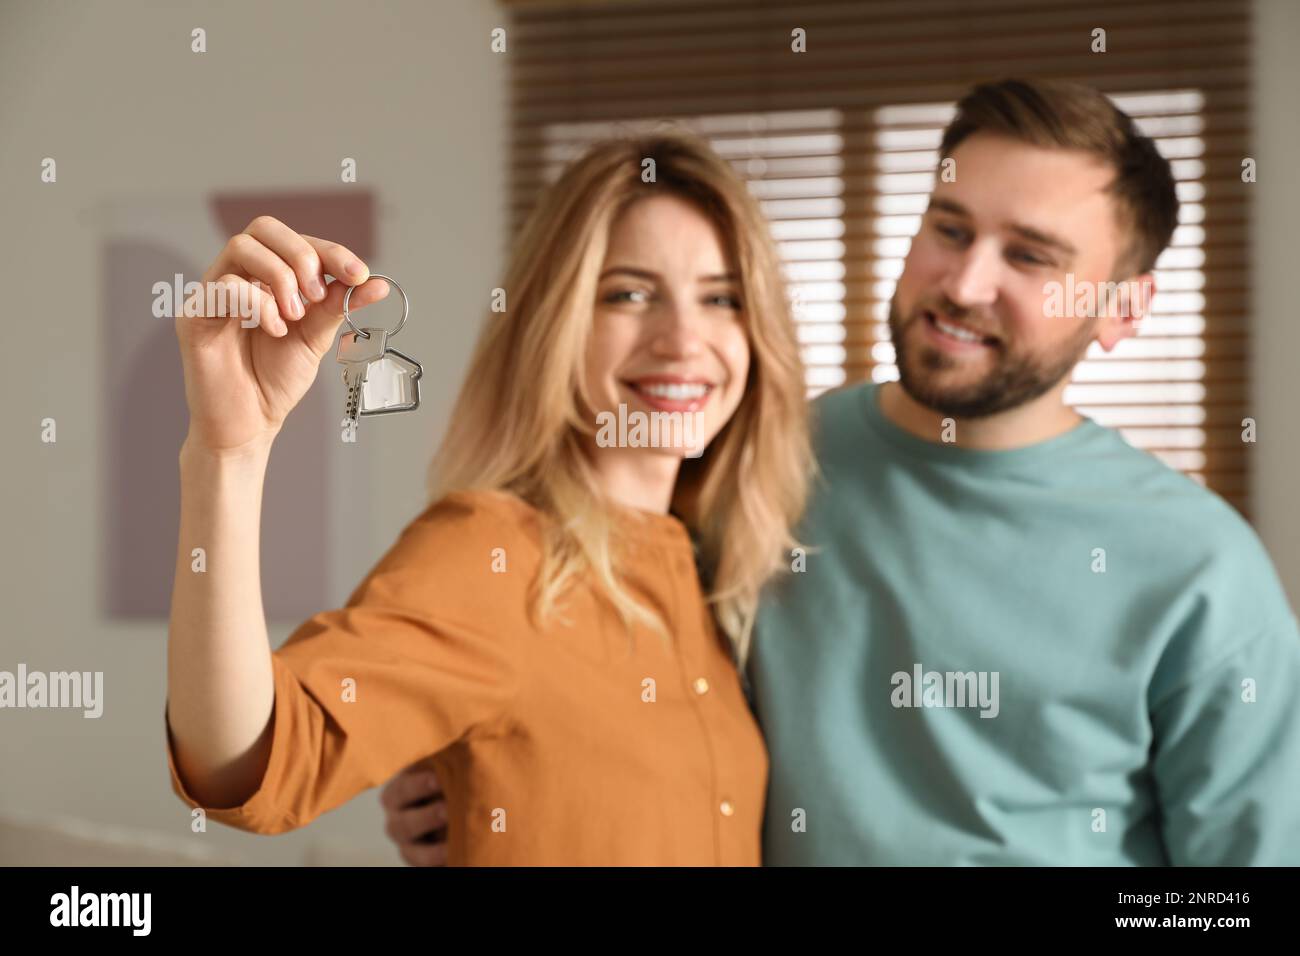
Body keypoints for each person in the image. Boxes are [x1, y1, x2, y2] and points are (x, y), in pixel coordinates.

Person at [385, 77, 1300, 866]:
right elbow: (596, 675)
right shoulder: (750, 462)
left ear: (1121, 312)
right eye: (950, 228)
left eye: (1029, 256)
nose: (965, 282)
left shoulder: (1200, 572)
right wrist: (462, 773)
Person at [164, 131, 813, 865]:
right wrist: (229, 454)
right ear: (553, 322)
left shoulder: (713, 577)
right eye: (629, 293)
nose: (684, 338)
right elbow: (250, 764)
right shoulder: (492, 551)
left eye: (721, 298)